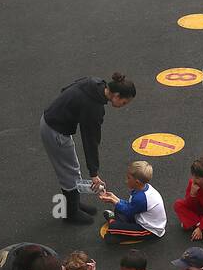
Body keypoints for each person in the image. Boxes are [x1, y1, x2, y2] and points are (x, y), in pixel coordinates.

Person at [40, 72, 136, 223]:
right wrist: (94, 173)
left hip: (53, 120)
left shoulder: (96, 83)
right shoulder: (94, 108)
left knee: (72, 167)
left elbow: (65, 90)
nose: (123, 106)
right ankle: (69, 214)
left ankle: (74, 204)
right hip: (55, 130)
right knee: (67, 171)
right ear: (116, 95)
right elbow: (90, 140)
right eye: (124, 103)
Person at [99, 160, 166, 241]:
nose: (126, 180)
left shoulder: (141, 198)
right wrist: (115, 198)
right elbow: (130, 206)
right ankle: (118, 225)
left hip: (149, 230)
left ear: (137, 182)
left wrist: (113, 201)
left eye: (128, 178)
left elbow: (129, 211)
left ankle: (114, 223)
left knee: (113, 227)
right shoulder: (142, 189)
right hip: (139, 217)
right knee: (119, 209)